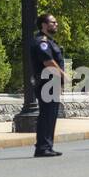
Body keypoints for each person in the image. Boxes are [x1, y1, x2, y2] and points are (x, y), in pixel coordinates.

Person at [31, 13, 64, 158]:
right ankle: (42, 147)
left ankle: (47, 146)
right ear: (44, 25)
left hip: (52, 84)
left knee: (51, 115)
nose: (56, 24)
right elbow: (48, 62)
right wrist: (64, 75)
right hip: (46, 84)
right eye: (52, 22)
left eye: (56, 22)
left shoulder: (50, 42)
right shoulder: (41, 42)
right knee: (46, 115)